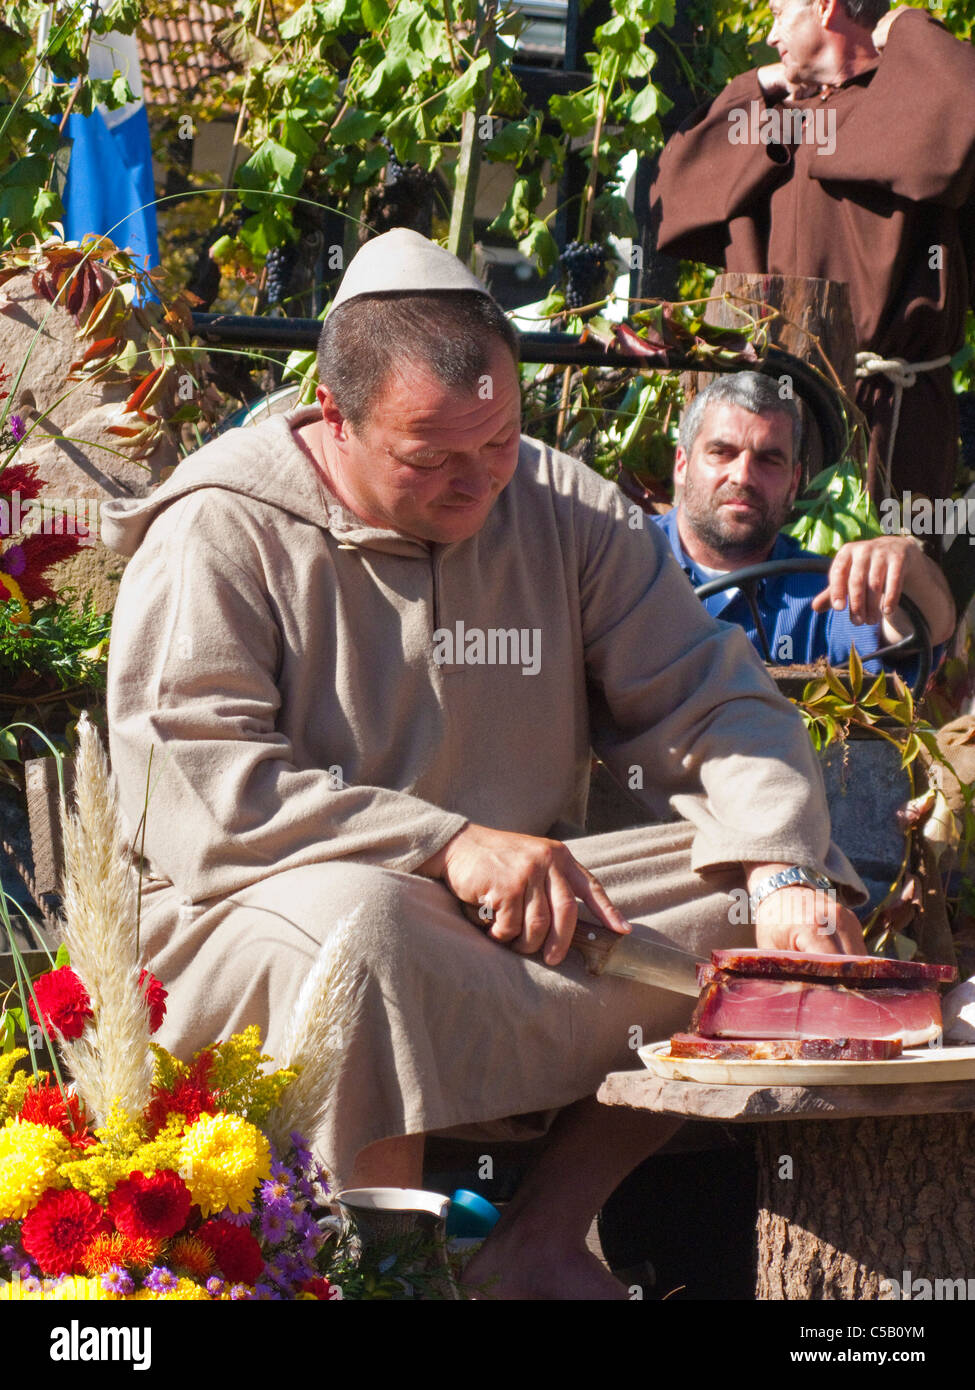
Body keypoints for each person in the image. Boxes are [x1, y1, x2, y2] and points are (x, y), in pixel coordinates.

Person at [102, 229, 867, 1300]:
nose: (479, 484)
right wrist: (446, 845)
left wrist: (785, 872)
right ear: (335, 416)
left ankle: (540, 1240)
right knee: (363, 928)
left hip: (521, 921)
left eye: (500, 440)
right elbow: (199, 780)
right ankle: (378, 1280)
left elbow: (712, 697)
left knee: (757, 909)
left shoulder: (560, 509)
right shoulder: (221, 526)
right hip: (257, 923)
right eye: (432, 459)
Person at [650, 2, 975, 507]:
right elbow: (674, 187)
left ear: (826, 8)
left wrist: (911, 27)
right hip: (766, 423)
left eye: (781, 12)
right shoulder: (780, 122)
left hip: (890, 426)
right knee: (759, 579)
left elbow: (964, 103)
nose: (772, 32)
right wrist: (764, 82)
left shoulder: (915, 106)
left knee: (874, 581)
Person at [655, 372, 956, 672]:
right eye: (722, 453)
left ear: (793, 483)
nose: (743, 476)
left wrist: (910, 566)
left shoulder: (822, 595)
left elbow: (925, 629)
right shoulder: (623, 553)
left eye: (769, 460)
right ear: (682, 464)